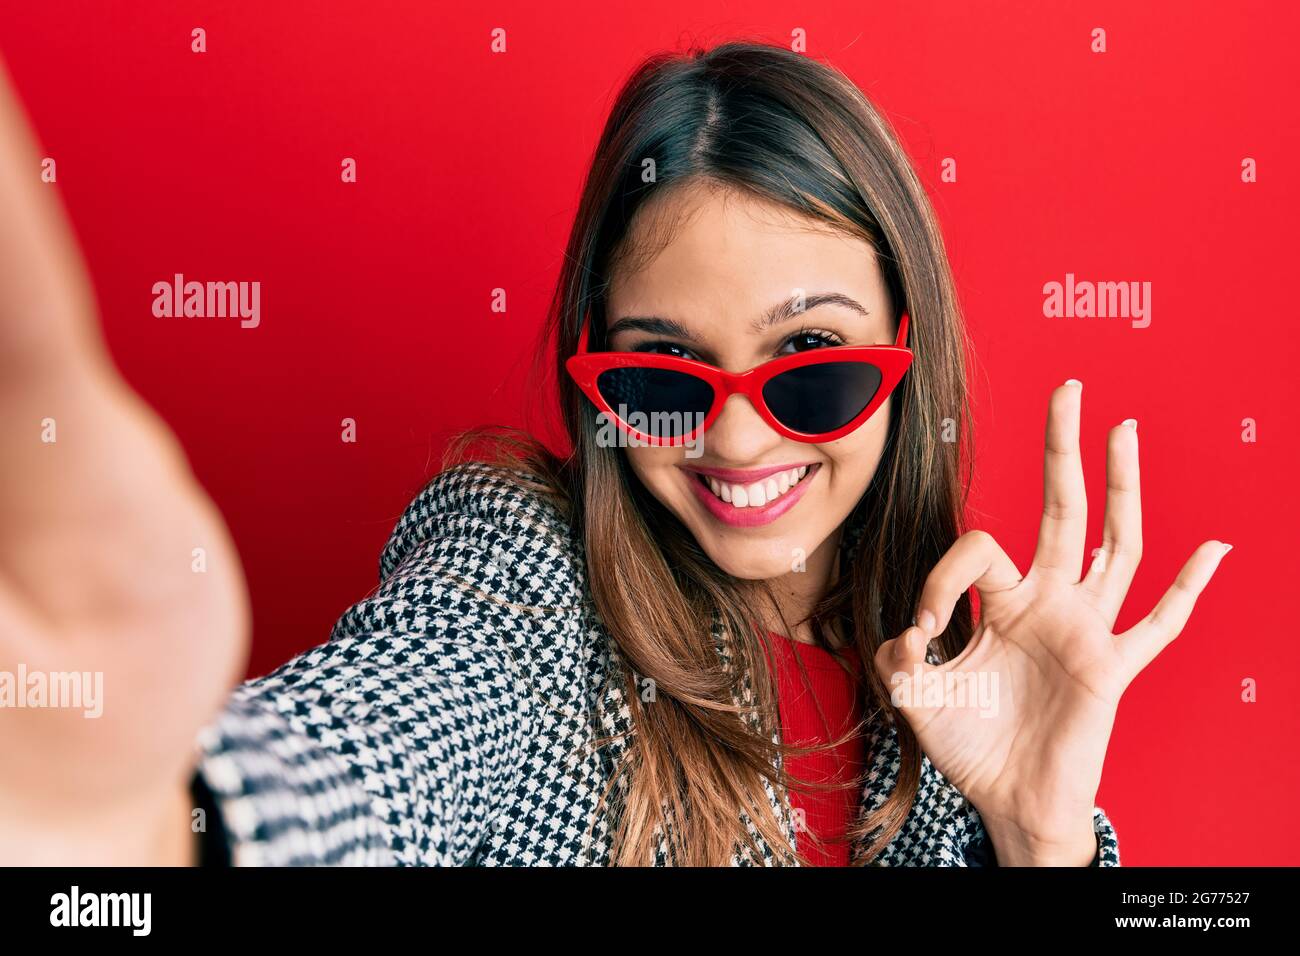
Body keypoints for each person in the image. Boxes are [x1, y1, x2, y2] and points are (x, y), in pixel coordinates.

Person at [0, 40, 1229, 867]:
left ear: (910, 350)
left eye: (813, 361)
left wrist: (1042, 842)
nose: (737, 436)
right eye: (657, 376)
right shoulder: (521, 568)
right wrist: (162, 812)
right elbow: (397, 724)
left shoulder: (964, 673)